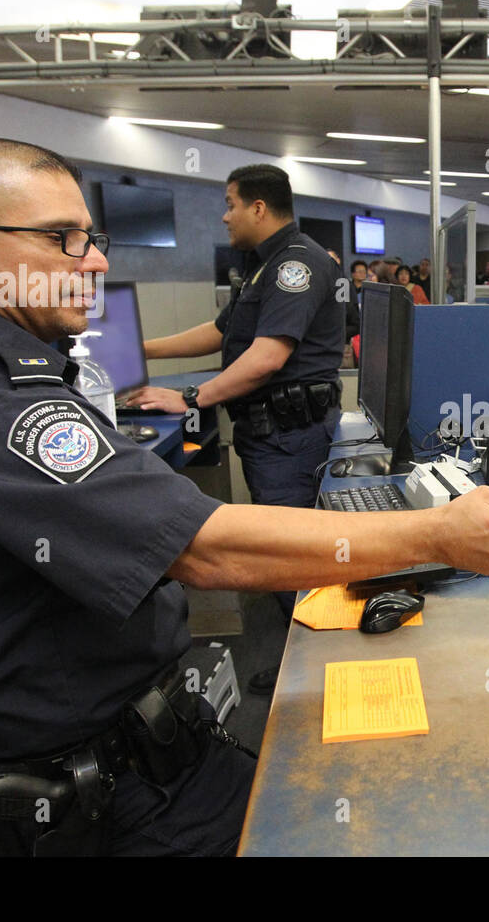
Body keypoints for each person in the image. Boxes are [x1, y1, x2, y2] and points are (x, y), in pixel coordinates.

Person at [0, 137, 489, 857]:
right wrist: (436, 536)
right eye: (64, 239)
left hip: (142, 757)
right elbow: (205, 547)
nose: (96, 260)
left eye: (94, 237)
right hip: (109, 801)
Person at [129, 163, 344, 695]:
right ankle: (312, 663)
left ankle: (319, 675)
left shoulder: (297, 265)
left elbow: (268, 357)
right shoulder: (262, 266)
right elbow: (222, 332)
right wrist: (142, 349)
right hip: (270, 436)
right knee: (285, 554)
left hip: (289, 438)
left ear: (258, 208)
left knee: (290, 558)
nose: (224, 217)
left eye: (229, 205)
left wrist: (189, 397)